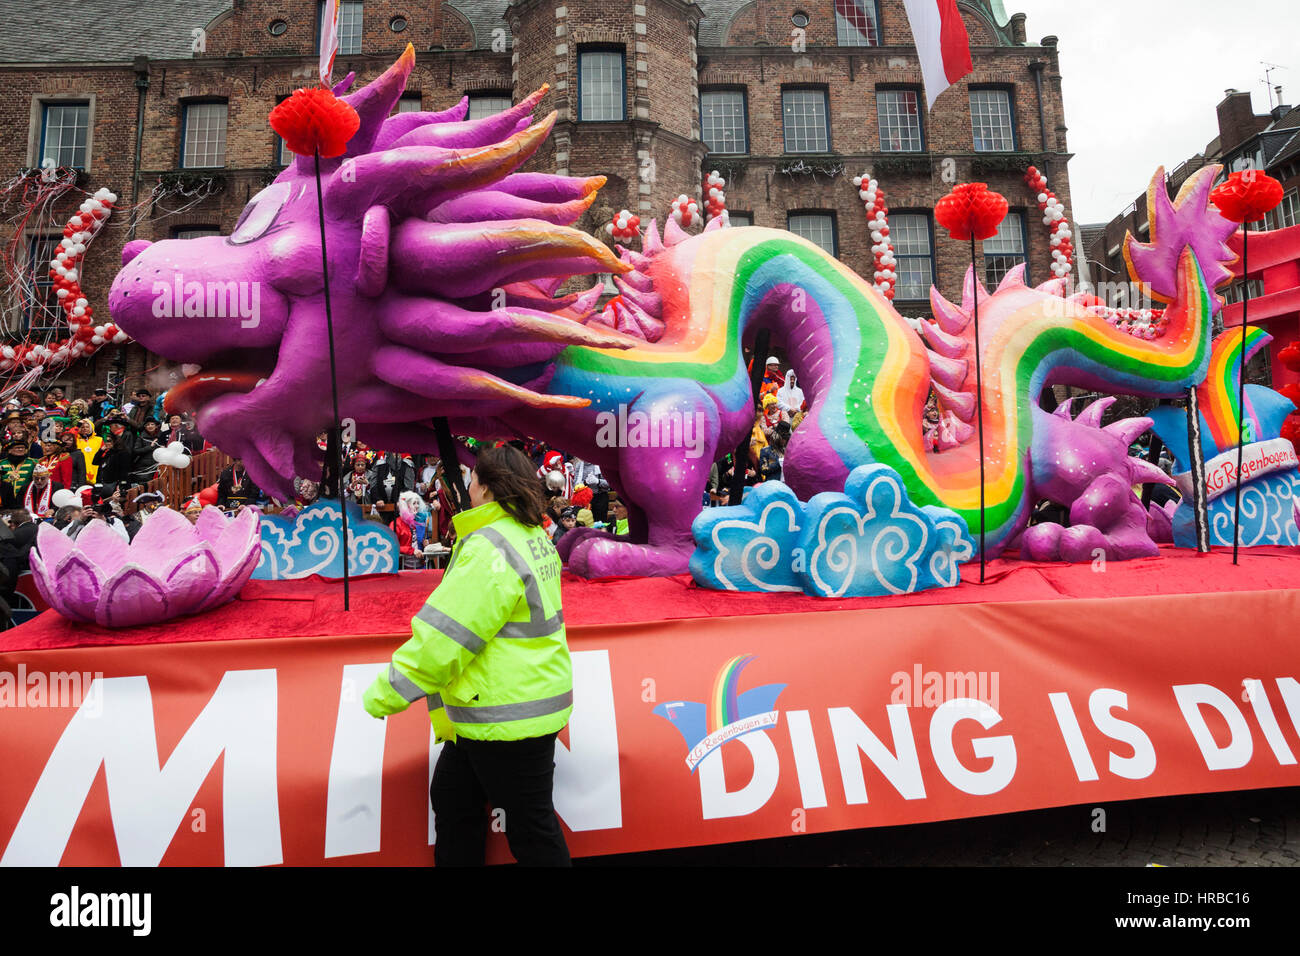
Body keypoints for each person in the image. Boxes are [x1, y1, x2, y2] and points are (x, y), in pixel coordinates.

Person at [363, 444, 573, 866]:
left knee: (531, 833)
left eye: (474, 478)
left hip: (507, 716)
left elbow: (444, 641)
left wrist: (383, 694)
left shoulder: (491, 547)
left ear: (488, 488)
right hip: (503, 711)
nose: (468, 485)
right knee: (455, 798)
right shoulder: (531, 535)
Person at [0, 438, 36, 510]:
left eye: (22, 448)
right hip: (6, 502)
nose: (20, 449)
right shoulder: (1, 463)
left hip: (26, 499)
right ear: (9, 450)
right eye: (17, 448)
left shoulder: (33, 462)